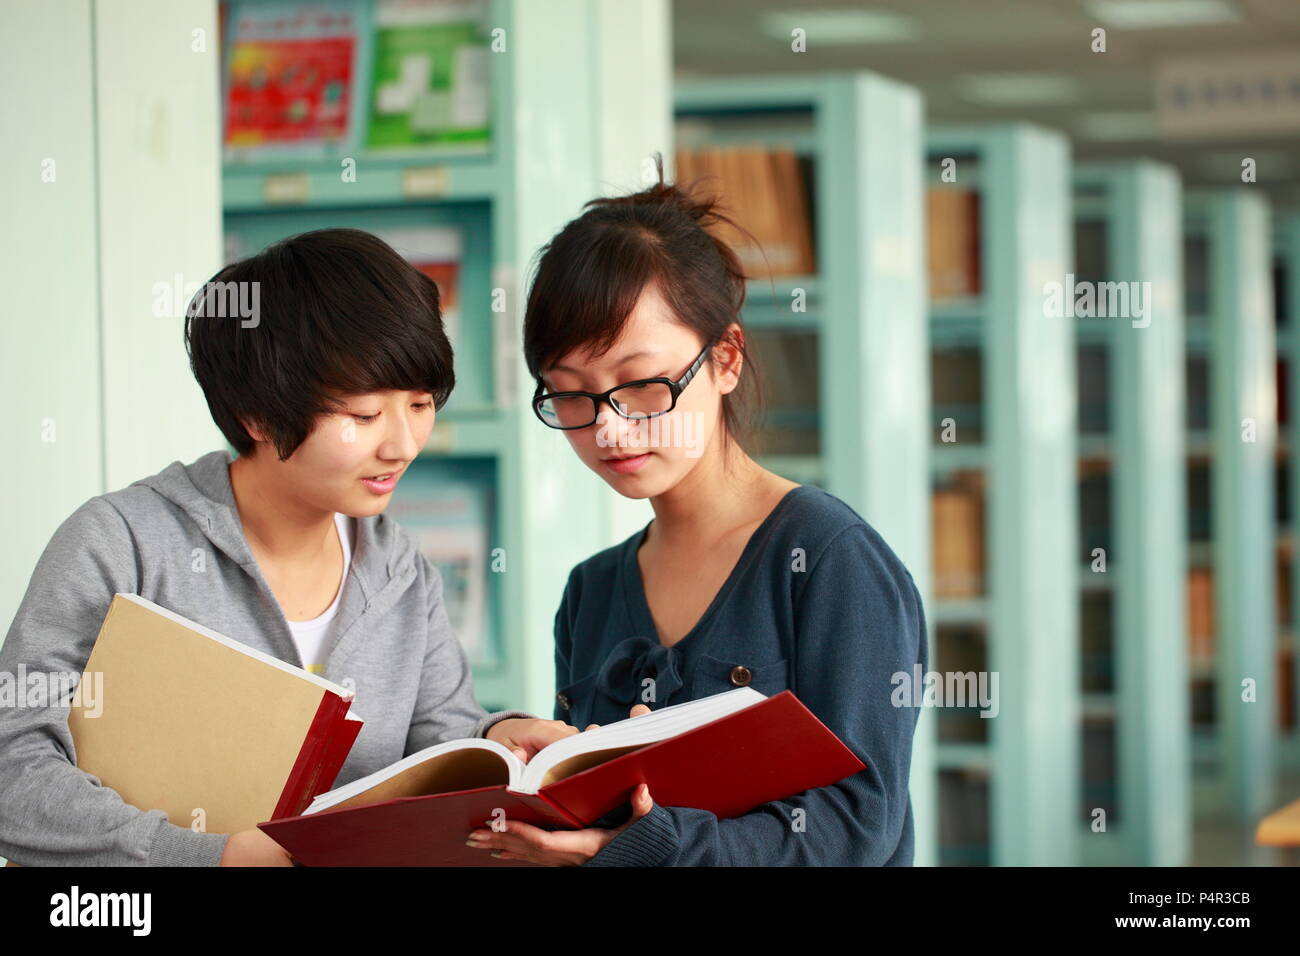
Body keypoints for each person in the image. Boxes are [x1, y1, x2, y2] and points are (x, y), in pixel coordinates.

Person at [0, 228, 571, 867]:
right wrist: (201, 856)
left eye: (418, 404)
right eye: (362, 416)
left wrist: (498, 735)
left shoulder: (400, 567)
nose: (403, 444)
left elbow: (437, 738)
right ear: (259, 417)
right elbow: (12, 767)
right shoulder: (118, 545)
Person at [463, 160, 928, 865]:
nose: (610, 429)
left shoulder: (828, 560)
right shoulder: (591, 591)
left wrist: (646, 847)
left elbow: (858, 828)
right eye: (571, 394)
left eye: (641, 385)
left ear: (727, 359)